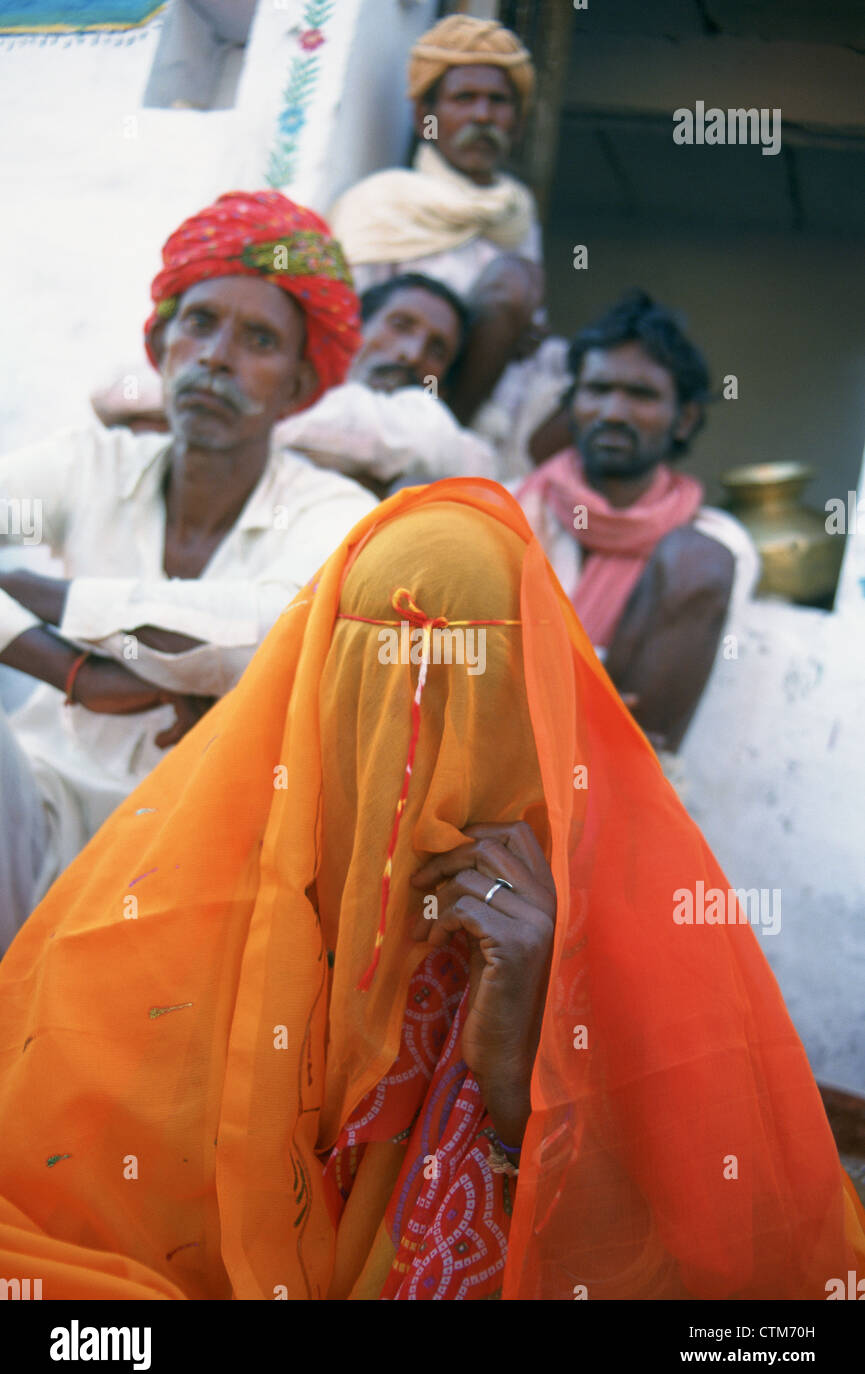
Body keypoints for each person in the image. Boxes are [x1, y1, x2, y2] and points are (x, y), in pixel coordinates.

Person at [0, 477, 861, 1301]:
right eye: (376, 679)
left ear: (534, 698)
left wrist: (519, 1078)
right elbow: (73, 1184)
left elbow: (694, 1263)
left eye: (466, 685)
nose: (416, 758)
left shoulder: (624, 927)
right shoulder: (188, 885)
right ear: (311, 685)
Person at [0, 190, 377, 952]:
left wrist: (46, 598)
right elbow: (228, 647)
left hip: (199, 865)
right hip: (34, 815)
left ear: (298, 388)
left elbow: (281, 629)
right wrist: (77, 676)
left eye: (258, 340)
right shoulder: (89, 464)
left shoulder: (331, 507)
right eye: (199, 324)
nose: (215, 357)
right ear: (162, 344)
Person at [515, 291, 759, 753]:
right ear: (572, 404)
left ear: (684, 419)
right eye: (598, 390)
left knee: (696, 561)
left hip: (609, 766)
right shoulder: (513, 505)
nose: (612, 413)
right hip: (490, 737)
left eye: (641, 395)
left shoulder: (714, 541)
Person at [92, 273, 501, 493]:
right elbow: (113, 390)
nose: (410, 354)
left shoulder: (442, 435)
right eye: (399, 326)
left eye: (437, 350)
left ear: (443, 384)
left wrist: (220, 420)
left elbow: (424, 441)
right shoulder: (278, 376)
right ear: (352, 329)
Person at [328, 15, 544, 426]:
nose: (483, 116)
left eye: (498, 102)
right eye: (464, 98)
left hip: (490, 429)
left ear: (516, 121)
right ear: (424, 115)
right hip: (372, 412)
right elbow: (343, 327)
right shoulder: (380, 202)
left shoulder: (517, 214)